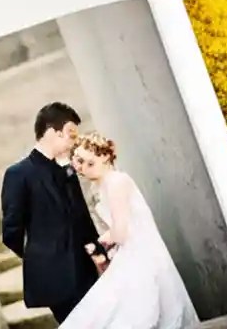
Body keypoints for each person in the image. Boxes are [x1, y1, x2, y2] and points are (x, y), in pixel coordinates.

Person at [60, 133, 199, 329]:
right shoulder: (98, 186)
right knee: (113, 307)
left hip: (139, 251)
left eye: (90, 162)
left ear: (105, 157)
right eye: (80, 162)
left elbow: (121, 231)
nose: (83, 167)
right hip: (129, 250)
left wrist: (102, 242)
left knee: (133, 310)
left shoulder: (116, 181)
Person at [0, 103, 108, 324]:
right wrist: (41, 255)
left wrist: (99, 253)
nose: (74, 142)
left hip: (86, 269)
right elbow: (11, 232)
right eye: (70, 135)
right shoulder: (18, 174)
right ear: (52, 132)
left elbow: (81, 217)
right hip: (55, 277)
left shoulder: (66, 170)